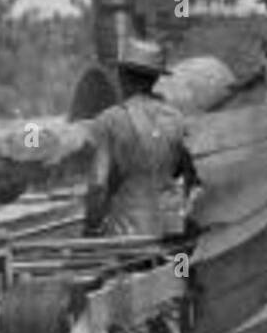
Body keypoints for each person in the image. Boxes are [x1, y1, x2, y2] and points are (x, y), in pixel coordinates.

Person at [83, 36, 194, 239]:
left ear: (123, 75)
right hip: (171, 232)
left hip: (127, 235)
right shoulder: (178, 120)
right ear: (156, 78)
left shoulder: (109, 121)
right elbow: (190, 177)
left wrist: (91, 228)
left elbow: (98, 185)